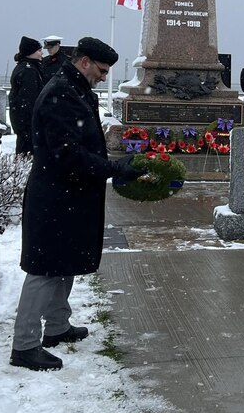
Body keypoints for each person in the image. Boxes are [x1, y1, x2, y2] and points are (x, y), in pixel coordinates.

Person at [10, 37, 145, 372]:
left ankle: (57, 326)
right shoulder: (61, 93)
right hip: (55, 195)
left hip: (68, 195)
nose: (104, 76)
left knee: (63, 262)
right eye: (101, 70)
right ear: (84, 62)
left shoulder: (74, 88)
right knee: (44, 269)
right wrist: (114, 169)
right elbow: (68, 154)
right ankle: (24, 345)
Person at [8, 36, 47, 156]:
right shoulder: (29, 71)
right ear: (31, 52)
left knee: (24, 152)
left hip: (24, 124)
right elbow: (29, 101)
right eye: (39, 50)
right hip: (28, 125)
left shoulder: (26, 67)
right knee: (28, 154)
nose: (42, 53)